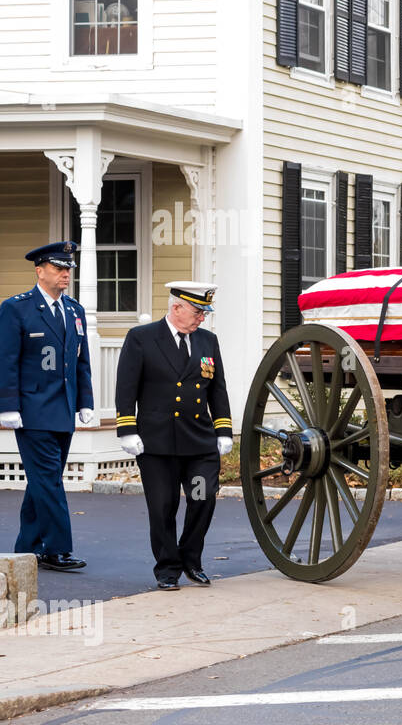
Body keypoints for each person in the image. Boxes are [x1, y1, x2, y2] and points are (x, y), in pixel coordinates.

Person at [115, 282, 232, 590]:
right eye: (197, 312)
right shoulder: (142, 338)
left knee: (201, 497)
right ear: (176, 308)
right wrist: (127, 429)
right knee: (163, 506)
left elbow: (217, 389)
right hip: (158, 442)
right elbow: (126, 387)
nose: (201, 319)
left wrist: (223, 429)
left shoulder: (208, 341)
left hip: (198, 442)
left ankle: (191, 558)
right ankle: (168, 568)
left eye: (205, 313)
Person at [0, 242, 94, 572]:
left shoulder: (74, 310)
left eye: (68, 269)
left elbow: (81, 361)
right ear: (40, 271)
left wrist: (85, 400)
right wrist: (7, 406)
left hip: (63, 408)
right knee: (50, 481)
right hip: (32, 409)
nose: (66, 274)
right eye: (59, 268)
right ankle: (58, 549)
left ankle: (27, 547)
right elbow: (6, 360)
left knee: (44, 479)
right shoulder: (16, 308)